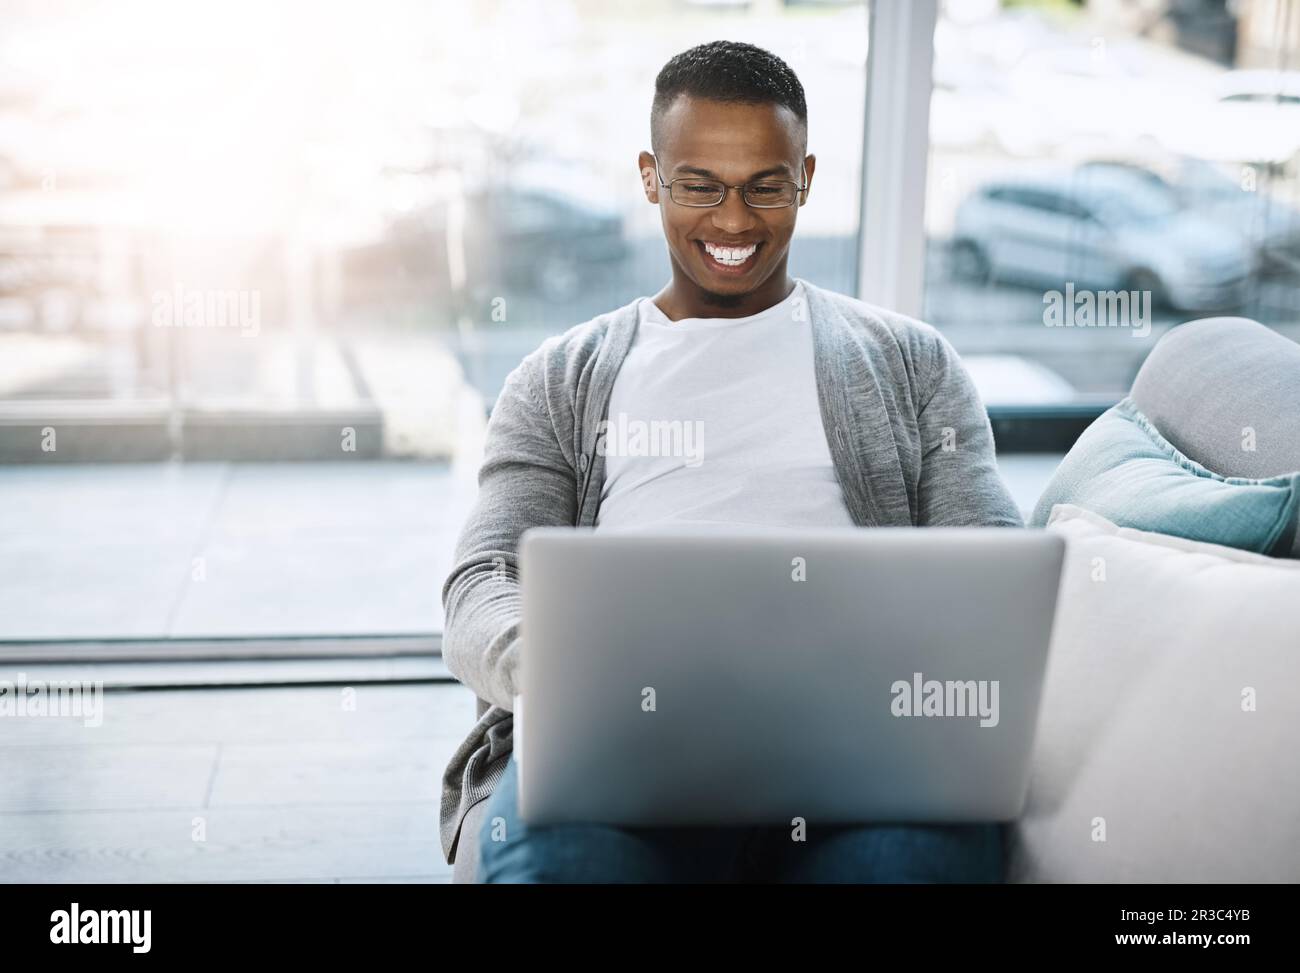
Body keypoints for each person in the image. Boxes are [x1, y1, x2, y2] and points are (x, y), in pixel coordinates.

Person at [438, 39, 1023, 883]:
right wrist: (564, 671)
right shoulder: (559, 378)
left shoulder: (913, 362)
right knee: (565, 865)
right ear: (651, 177)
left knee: (908, 865)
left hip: (859, 740)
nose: (734, 221)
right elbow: (482, 580)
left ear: (806, 179)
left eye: (764, 186)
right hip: (624, 737)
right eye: (699, 185)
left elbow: (991, 566)